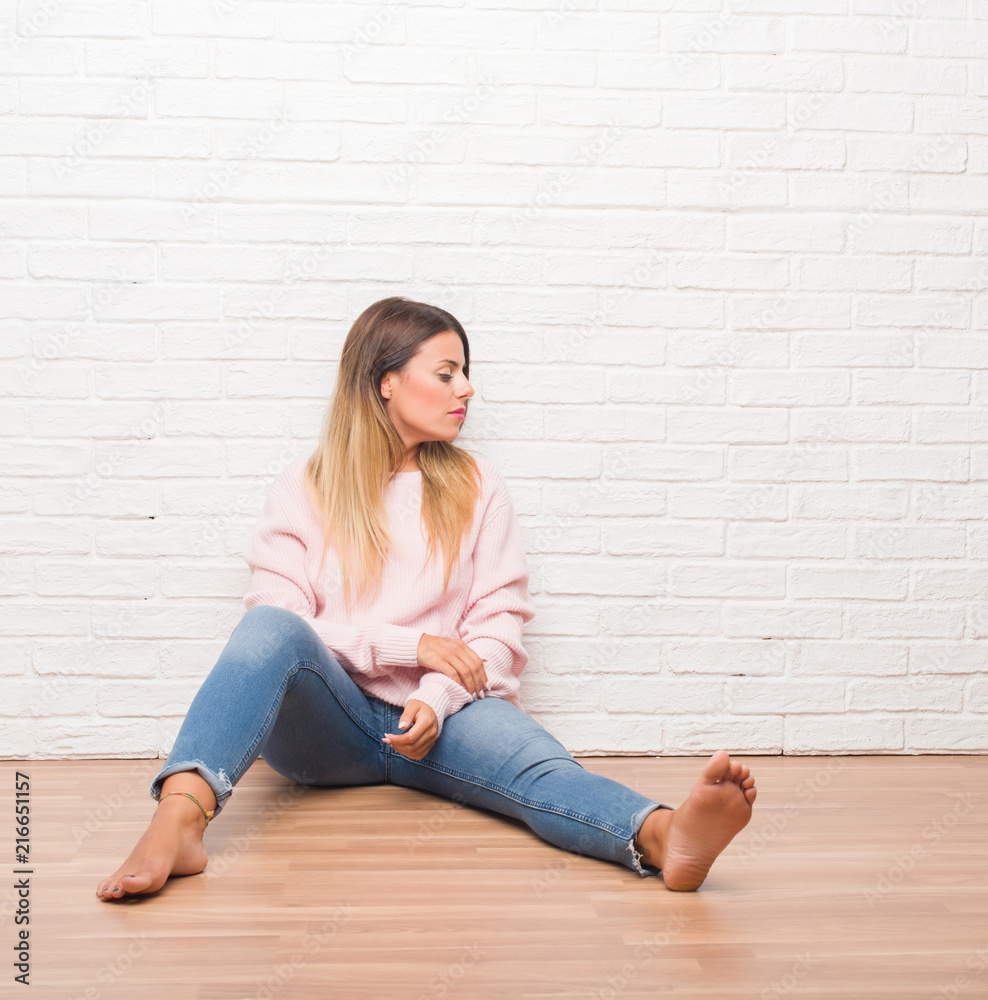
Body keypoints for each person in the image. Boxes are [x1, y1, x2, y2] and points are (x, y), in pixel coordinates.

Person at [96, 296, 756, 902]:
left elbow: (498, 629)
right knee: (269, 628)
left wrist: (435, 696)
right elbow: (281, 628)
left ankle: (663, 835)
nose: (466, 388)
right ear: (387, 380)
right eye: (446, 373)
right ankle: (179, 821)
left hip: (447, 714)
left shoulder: (477, 484)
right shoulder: (306, 485)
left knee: (538, 769)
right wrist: (411, 645)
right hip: (331, 725)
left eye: (465, 372)